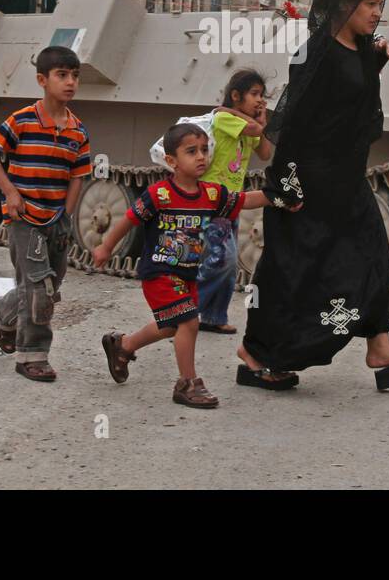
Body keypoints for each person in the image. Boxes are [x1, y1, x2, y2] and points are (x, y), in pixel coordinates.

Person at [238, 0, 389, 392]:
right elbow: (292, 126)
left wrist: (378, 53)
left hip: (346, 181)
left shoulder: (362, 50)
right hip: (310, 183)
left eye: (380, 5)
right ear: (344, 5)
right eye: (369, 5)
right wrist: (285, 188)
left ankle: (380, 347)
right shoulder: (315, 55)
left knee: (373, 257)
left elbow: (355, 97)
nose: (375, 13)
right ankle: (256, 354)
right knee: (295, 270)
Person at [96, 123, 293, 409]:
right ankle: (187, 383)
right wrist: (105, 246)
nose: (201, 156)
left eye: (204, 150)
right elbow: (130, 218)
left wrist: (281, 196)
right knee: (188, 321)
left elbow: (246, 200)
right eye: (192, 151)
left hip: (188, 273)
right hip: (160, 272)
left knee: (170, 327)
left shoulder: (211, 195)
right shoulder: (159, 195)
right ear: (172, 161)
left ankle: (123, 346)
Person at [0, 46, 91, 383]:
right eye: (62, 75)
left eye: (74, 75)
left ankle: (4, 310)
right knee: (38, 288)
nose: (70, 82)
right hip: (24, 216)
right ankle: (32, 355)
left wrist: (66, 217)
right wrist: (11, 193)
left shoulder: (78, 131)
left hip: (55, 217)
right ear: (42, 80)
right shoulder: (22, 121)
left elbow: (77, 176)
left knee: (51, 283)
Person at [196, 69, 273, 335]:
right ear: (235, 96)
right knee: (223, 259)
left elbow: (264, 153)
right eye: (254, 94)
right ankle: (189, 311)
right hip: (213, 200)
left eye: (262, 95)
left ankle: (214, 316)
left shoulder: (249, 123)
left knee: (228, 265)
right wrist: (255, 120)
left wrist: (262, 121)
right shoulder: (224, 116)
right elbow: (251, 127)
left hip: (232, 201)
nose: (260, 100)